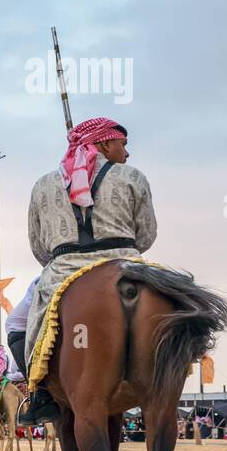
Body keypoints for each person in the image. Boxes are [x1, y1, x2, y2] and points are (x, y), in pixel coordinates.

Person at [22, 118, 157, 423]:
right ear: (105, 144)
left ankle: (39, 393)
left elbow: (37, 244)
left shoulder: (43, 185)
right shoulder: (133, 177)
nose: (127, 152)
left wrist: (63, 258)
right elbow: (146, 235)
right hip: (126, 265)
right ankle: (168, 378)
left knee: (23, 325)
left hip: (64, 270)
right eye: (123, 144)